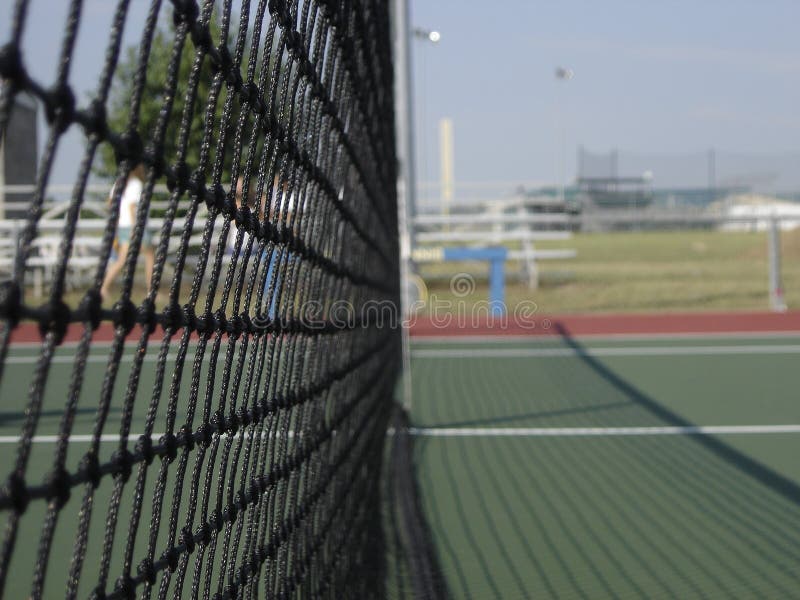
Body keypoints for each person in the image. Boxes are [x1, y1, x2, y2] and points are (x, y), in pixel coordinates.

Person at [100, 164, 155, 301]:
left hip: (122, 226)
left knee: (121, 260)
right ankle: (151, 292)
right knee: (150, 256)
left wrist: (117, 222)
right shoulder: (136, 184)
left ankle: (103, 288)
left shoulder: (119, 182)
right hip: (135, 226)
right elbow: (132, 206)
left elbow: (110, 203)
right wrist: (135, 227)